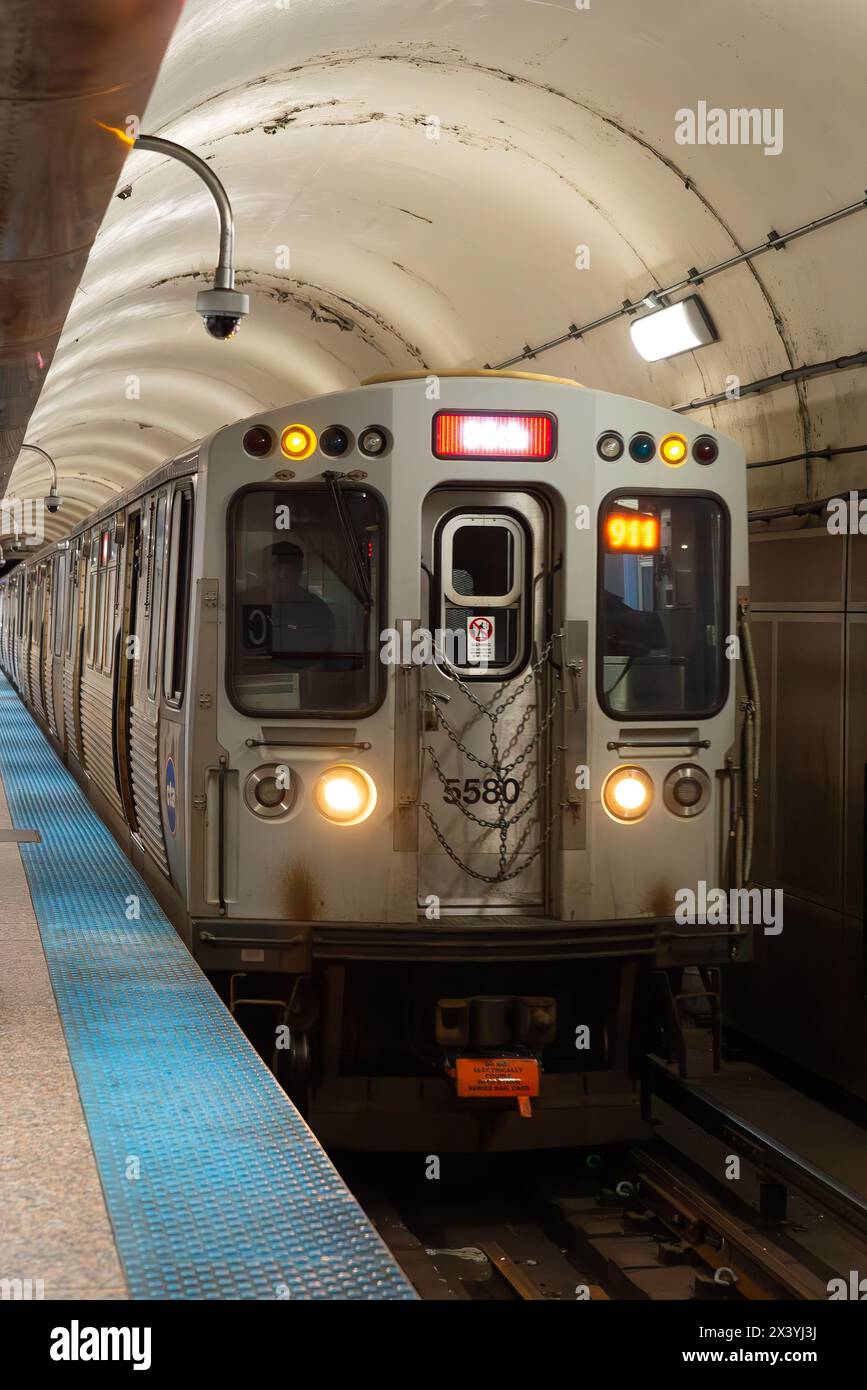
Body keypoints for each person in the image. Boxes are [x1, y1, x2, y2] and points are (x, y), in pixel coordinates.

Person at [244, 541, 334, 662]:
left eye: (291, 567)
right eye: (276, 566)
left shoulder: (317, 609)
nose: (283, 574)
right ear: (264, 571)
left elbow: (320, 658)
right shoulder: (242, 601)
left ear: (300, 572)